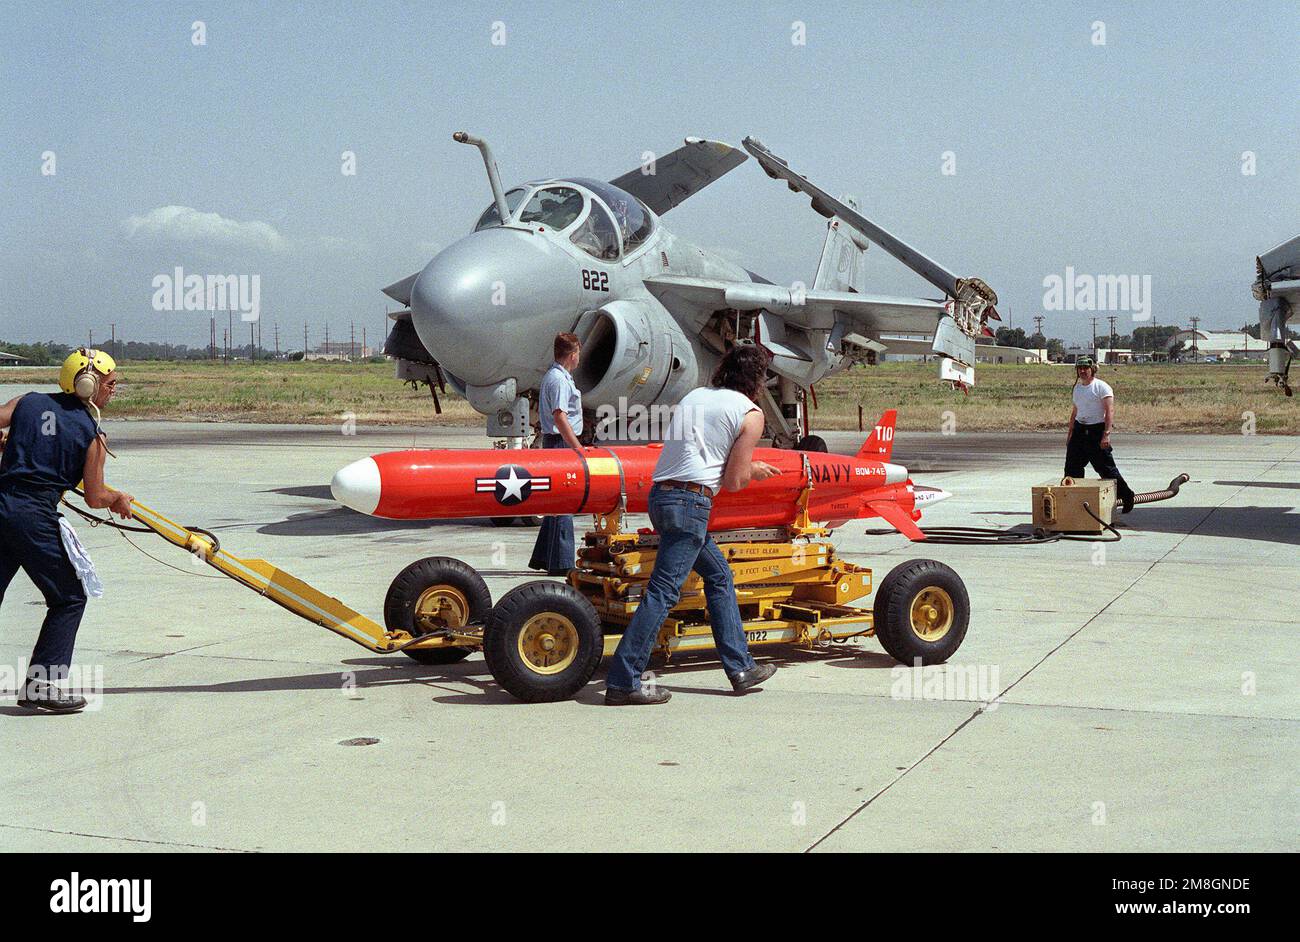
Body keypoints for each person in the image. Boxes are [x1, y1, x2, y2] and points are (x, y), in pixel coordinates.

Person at [605, 344, 782, 706]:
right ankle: (624, 680)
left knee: (719, 576)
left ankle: (741, 668)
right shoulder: (751, 414)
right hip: (691, 505)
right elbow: (734, 481)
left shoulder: (696, 395)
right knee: (663, 593)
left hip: (661, 498)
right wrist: (756, 471)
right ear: (756, 379)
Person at [0, 348, 133, 714]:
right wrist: (118, 498)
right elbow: (94, 496)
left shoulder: (27, 402)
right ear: (88, 384)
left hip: (2, 503)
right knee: (69, 597)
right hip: (33, 515)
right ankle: (42, 686)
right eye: (110, 382)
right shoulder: (92, 433)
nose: (113, 388)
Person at [528, 332, 583, 575]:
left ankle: (545, 556)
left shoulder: (554, 376)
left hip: (555, 442)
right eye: (578, 354)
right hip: (560, 444)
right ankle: (561, 563)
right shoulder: (559, 380)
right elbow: (560, 416)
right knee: (564, 503)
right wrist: (577, 448)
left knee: (554, 503)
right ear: (572, 355)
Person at [1065, 356, 1135, 513]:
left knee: (1106, 469)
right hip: (1079, 430)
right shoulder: (1077, 388)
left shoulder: (1102, 387)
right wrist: (1070, 433)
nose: (1082, 371)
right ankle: (1074, 502)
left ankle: (1127, 495)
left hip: (1096, 431)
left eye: (1086, 368)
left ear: (1092, 370)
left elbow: (1109, 411)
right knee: (1072, 468)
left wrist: (1106, 434)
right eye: (1080, 368)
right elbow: (1075, 411)